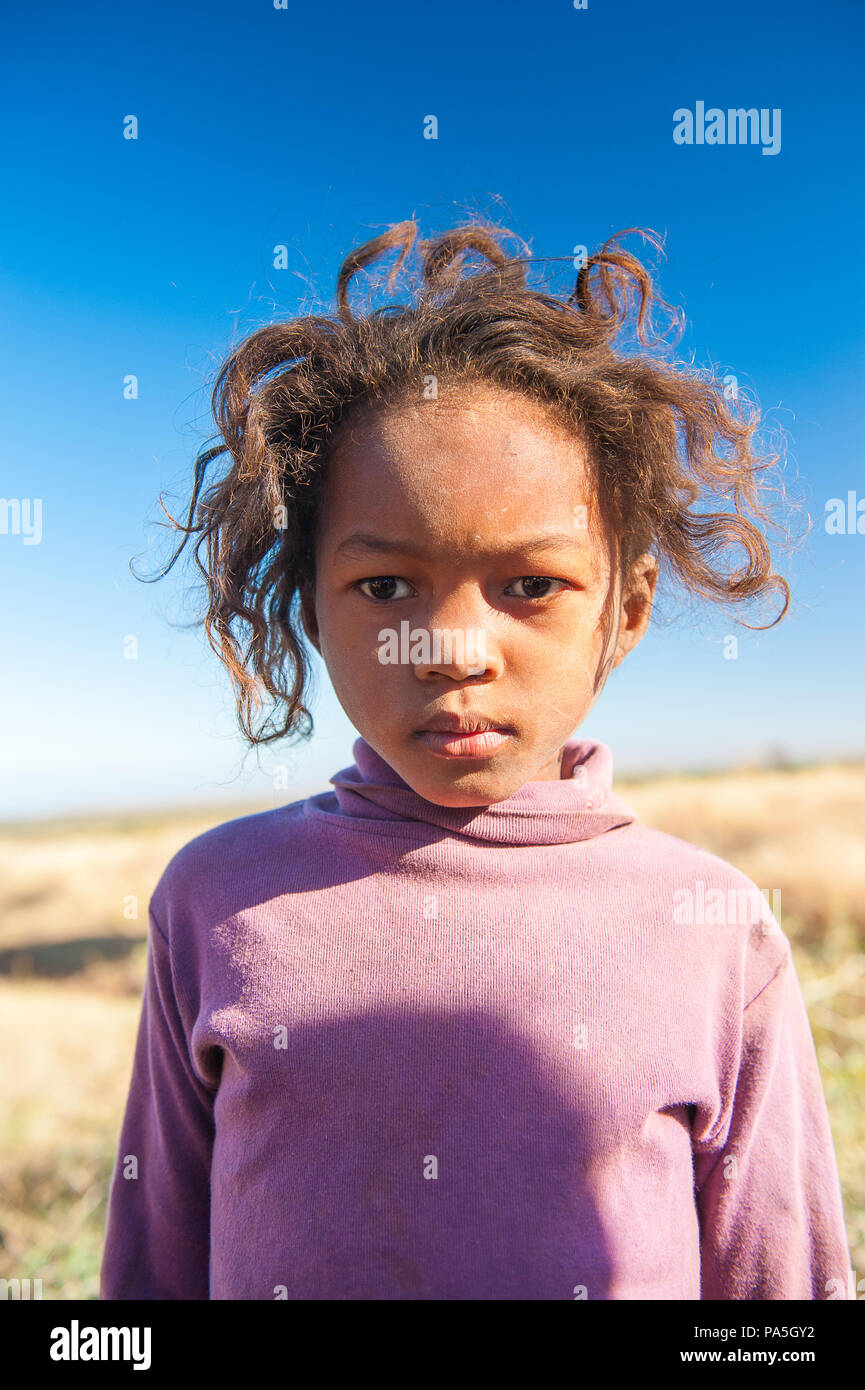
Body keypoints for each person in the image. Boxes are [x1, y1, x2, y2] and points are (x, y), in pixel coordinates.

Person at [100, 219, 851, 1299]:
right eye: (384, 586)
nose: (451, 650)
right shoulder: (216, 898)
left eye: (530, 585)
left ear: (626, 609)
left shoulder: (714, 929)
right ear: (310, 606)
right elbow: (148, 1275)